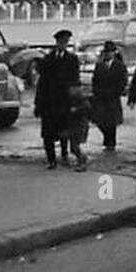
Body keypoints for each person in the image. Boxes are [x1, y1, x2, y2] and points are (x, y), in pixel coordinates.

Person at [35, 29, 80, 169]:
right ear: (57, 43)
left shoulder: (72, 60)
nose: (63, 45)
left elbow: (75, 81)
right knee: (48, 133)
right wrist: (38, 103)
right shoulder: (47, 60)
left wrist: (75, 102)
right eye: (61, 42)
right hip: (49, 102)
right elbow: (41, 83)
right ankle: (51, 159)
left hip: (64, 102)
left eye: (65, 42)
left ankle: (64, 155)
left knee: (64, 131)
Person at [91, 41, 128, 151]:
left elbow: (123, 82)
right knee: (100, 121)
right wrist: (97, 92)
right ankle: (107, 140)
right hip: (101, 97)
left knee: (112, 122)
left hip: (113, 97)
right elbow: (95, 81)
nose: (108, 54)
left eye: (110, 52)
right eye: (106, 52)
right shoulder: (99, 66)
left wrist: (114, 92)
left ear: (113, 53)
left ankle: (111, 143)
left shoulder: (119, 66)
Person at [62, 86, 90, 172]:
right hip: (75, 127)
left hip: (78, 127)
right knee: (74, 147)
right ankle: (81, 160)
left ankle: (82, 161)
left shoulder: (82, 104)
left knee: (74, 146)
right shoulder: (80, 103)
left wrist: (76, 110)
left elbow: (85, 110)